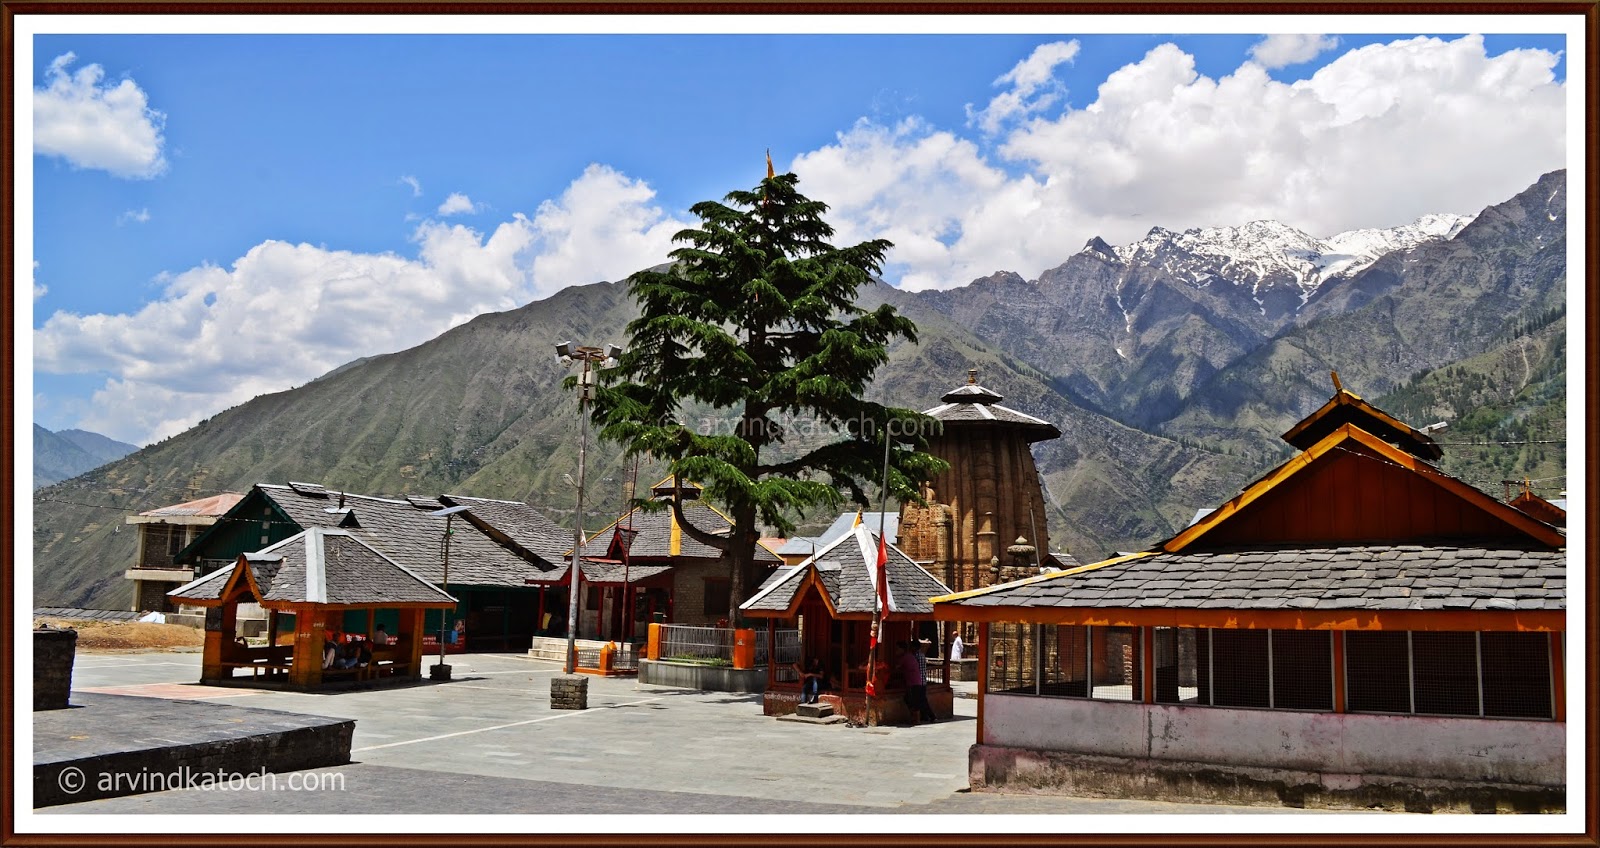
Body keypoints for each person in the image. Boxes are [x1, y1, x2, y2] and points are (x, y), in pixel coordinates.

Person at [896, 641, 935, 726]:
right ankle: (924, 716)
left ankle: (919, 718)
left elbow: (898, 667)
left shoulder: (911, 656)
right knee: (920, 700)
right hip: (920, 680)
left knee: (916, 700)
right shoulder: (918, 655)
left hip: (915, 681)